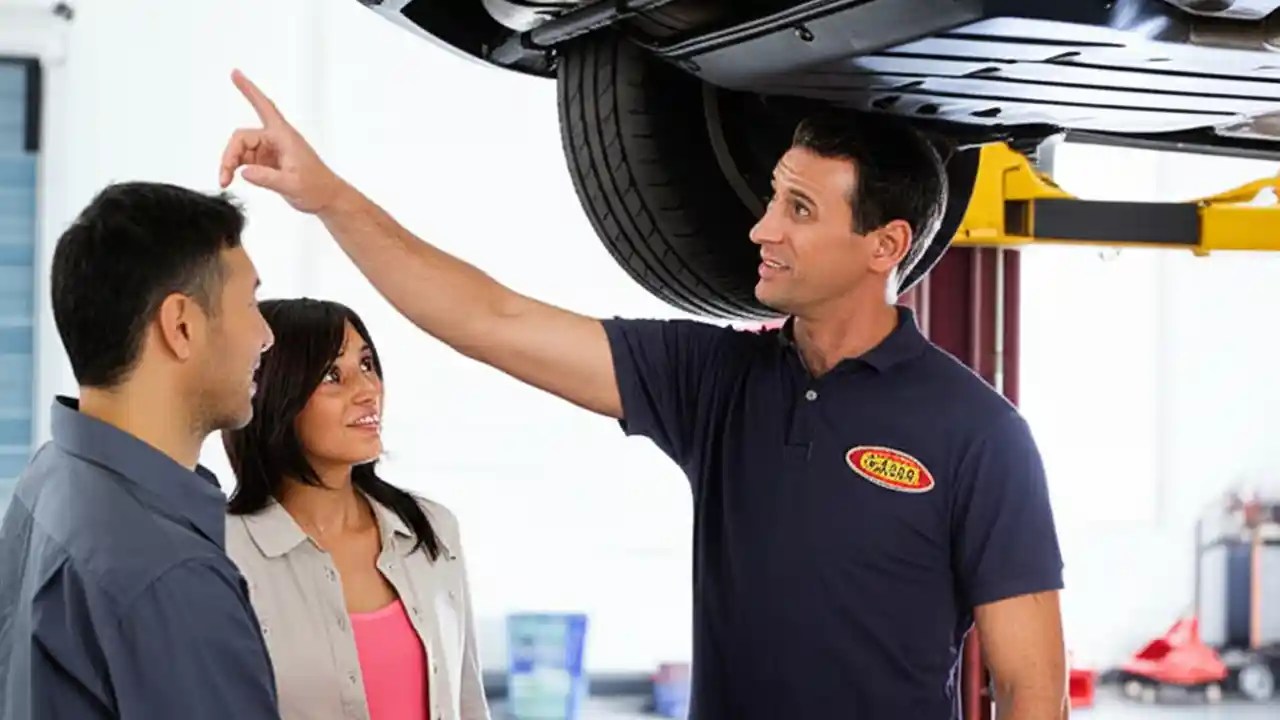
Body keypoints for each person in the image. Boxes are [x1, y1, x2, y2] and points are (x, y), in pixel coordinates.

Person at [220, 70, 1067, 719]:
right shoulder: (716, 382)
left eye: (799, 209)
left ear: (885, 245)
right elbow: (491, 318)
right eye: (773, 196)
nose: (761, 228)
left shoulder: (977, 433)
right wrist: (326, 197)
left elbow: (1032, 685)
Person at [0, 182, 279, 719]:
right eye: (250, 303)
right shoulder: (169, 574)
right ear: (181, 327)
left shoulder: (50, 476)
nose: (265, 335)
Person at [222, 298, 490, 720]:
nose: (368, 390)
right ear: (278, 394)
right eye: (333, 375)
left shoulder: (431, 530)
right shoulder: (225, 554)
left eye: (367, 364)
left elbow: (468, 701)